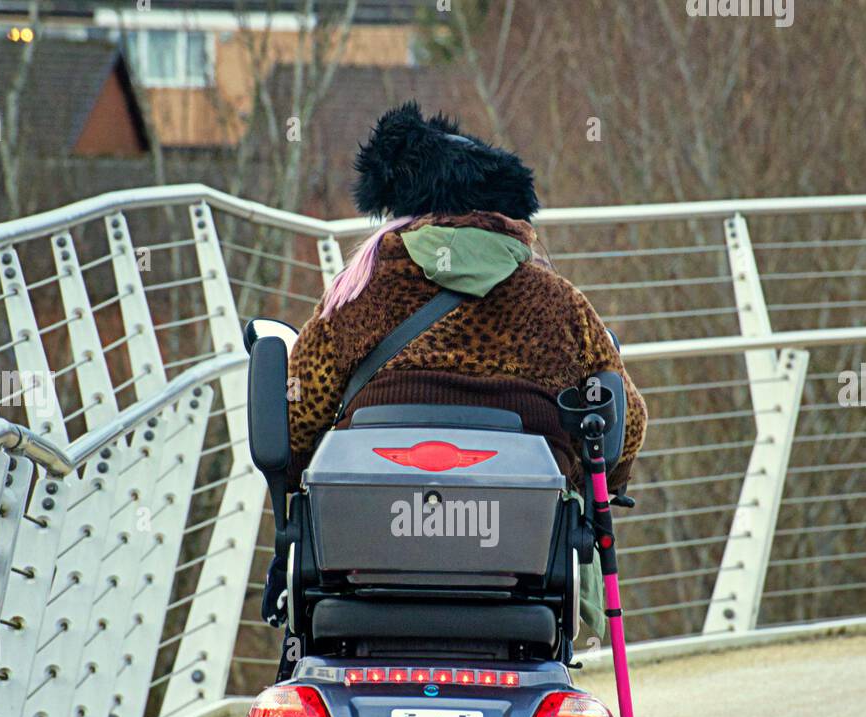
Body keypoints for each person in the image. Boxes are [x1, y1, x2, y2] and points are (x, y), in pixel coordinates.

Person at [268, 102, 648, 637]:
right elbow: (624, 422)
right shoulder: (559, 305)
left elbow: (294, 419)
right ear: (507, 216)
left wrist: (290, 479)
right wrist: (603, 488)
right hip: (526, 577)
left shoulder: (360, 296)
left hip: (364, 574)